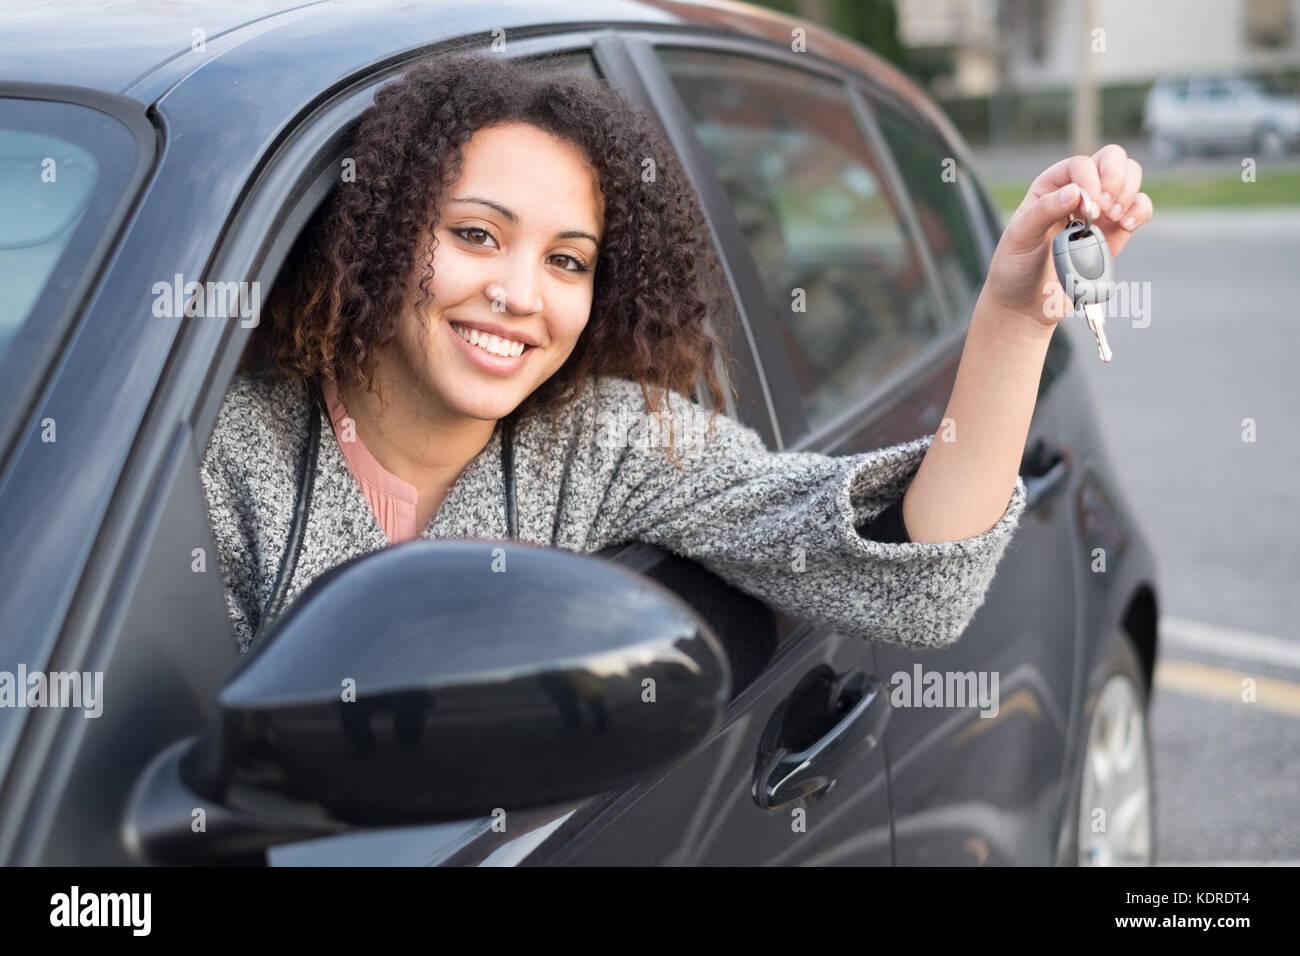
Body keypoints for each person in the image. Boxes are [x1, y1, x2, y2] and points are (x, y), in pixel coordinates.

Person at [200, 51, 1152, 659]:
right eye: (477, 236)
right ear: (382, 232)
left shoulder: (600, 442)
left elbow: (913, 580)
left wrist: (1016, 317)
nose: (521, 295)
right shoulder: (219, 460)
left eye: (567, 261)